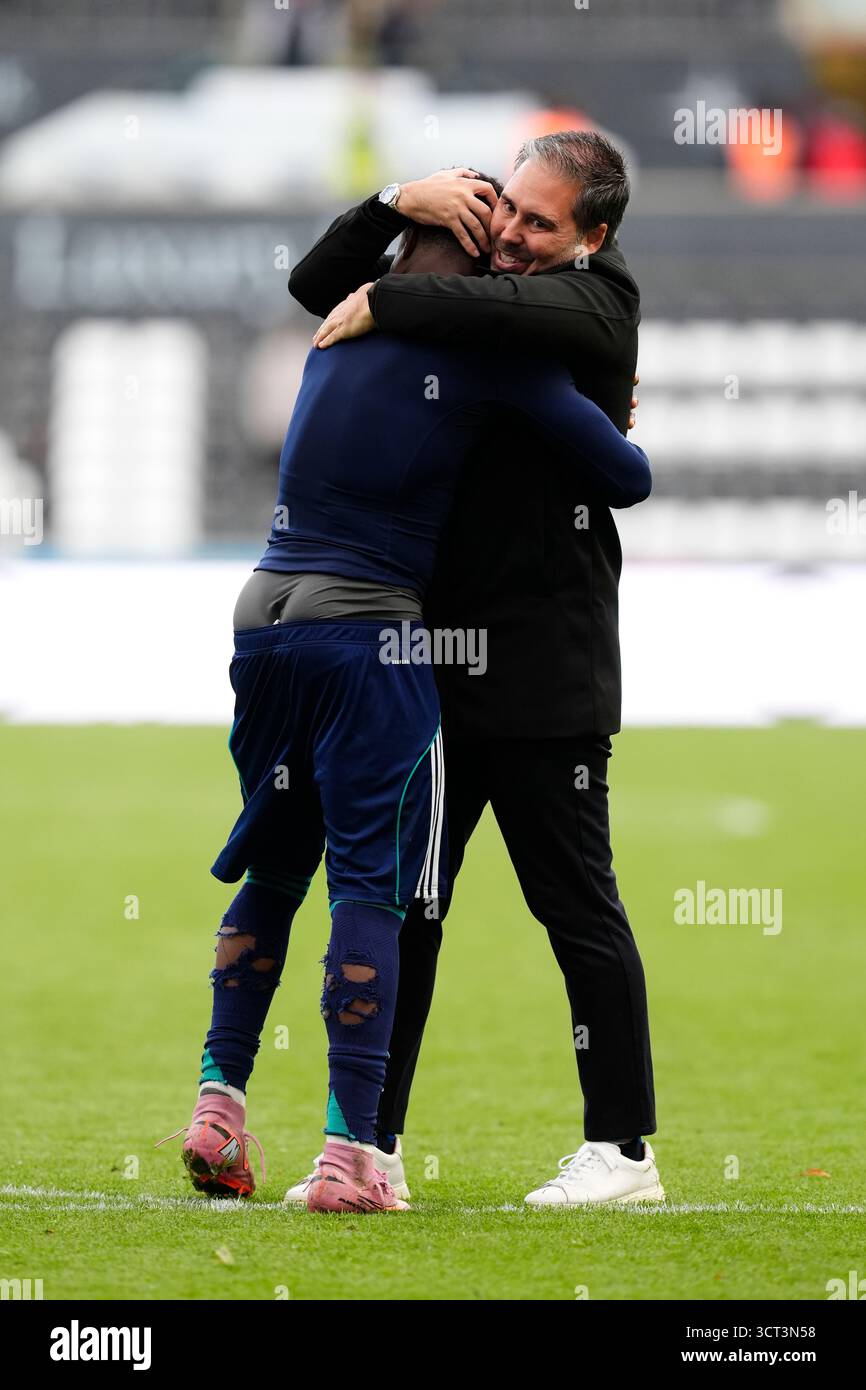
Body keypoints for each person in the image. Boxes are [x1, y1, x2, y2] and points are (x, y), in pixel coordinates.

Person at [156, 193, 652, 1214]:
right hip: (364, 630)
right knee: (373, 891)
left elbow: (330, 285)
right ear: (473, 281)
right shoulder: (484, 355)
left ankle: (220, 1100)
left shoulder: (335, 333)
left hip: (262, 615)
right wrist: (602, 413)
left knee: (273, 867)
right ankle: (350, 1155)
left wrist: (386, 228)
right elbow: (624, 473)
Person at [285, 131, 665, 1209]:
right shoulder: (493, 274)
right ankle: (372, 1144)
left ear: (592, 239)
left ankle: (622, 1154)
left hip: (548, 662)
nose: (506, 234)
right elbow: (314, 286)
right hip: (433, 664)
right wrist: (393, 199)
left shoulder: (596, 302)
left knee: (576, 908)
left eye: (539, 225)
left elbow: (498, 318)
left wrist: (393, 301)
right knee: (408, 906)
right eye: (505, 209)